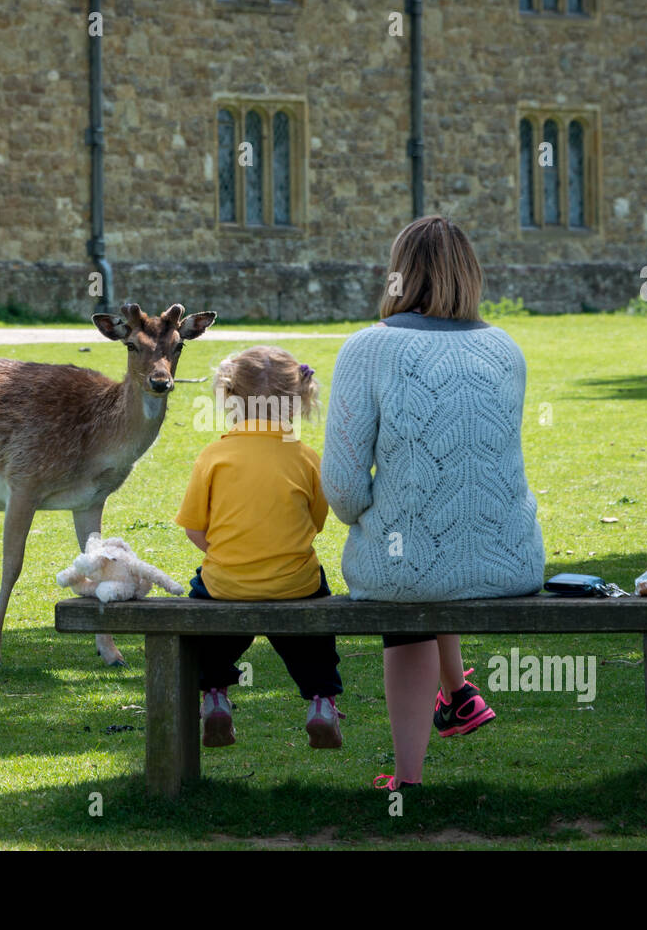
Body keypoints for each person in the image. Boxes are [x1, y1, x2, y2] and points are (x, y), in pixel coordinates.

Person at [321, 216, 545, 790]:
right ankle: (458, 695)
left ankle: (409, 779)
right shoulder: (505, 347)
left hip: (411, 567)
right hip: (510, 561)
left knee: (408, 560)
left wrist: (373, 516)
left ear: (399, 274)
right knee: (427, 543)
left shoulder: (368, 349)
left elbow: (342, 489)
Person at [175, 345, 345, 749]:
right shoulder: (307, 459)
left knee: (207, 622)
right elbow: (315, 525)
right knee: (314, 635)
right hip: (295, 583)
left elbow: (195, 529)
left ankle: (214, 696)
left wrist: (230, 553)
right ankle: (322, 701)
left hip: (226, 582)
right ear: (299, 400)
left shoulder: (213, 456)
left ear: (230, 398)